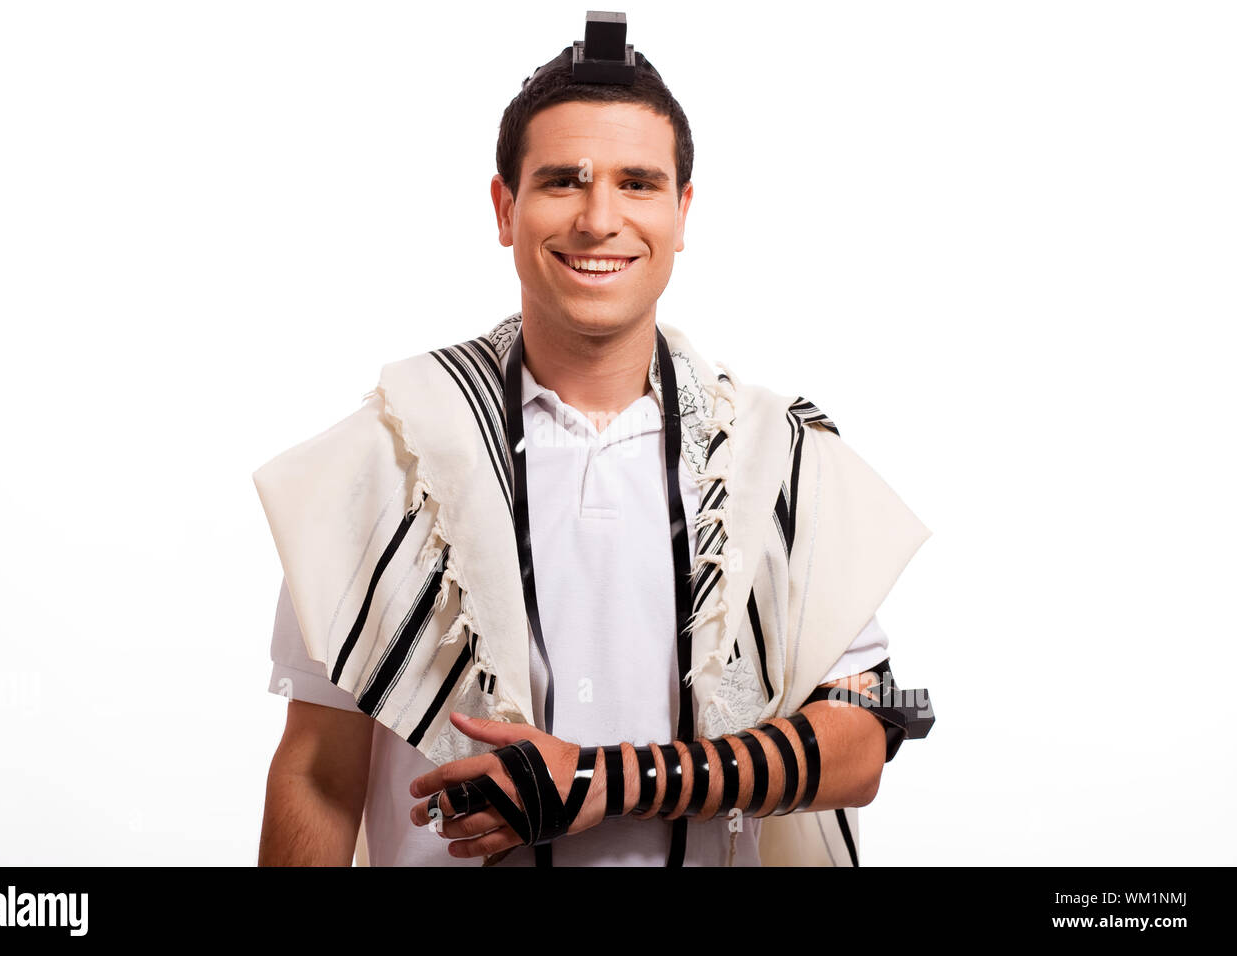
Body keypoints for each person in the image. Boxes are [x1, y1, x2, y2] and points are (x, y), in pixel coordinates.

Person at [255, 18, 931, 867]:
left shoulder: (779, 459)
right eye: (563, 181)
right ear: (506, 209)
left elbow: (861, 742)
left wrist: (603, 782)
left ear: (682, 214)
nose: (599, 217)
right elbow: (319, 770)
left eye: (638, 184)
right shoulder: (385, 460)